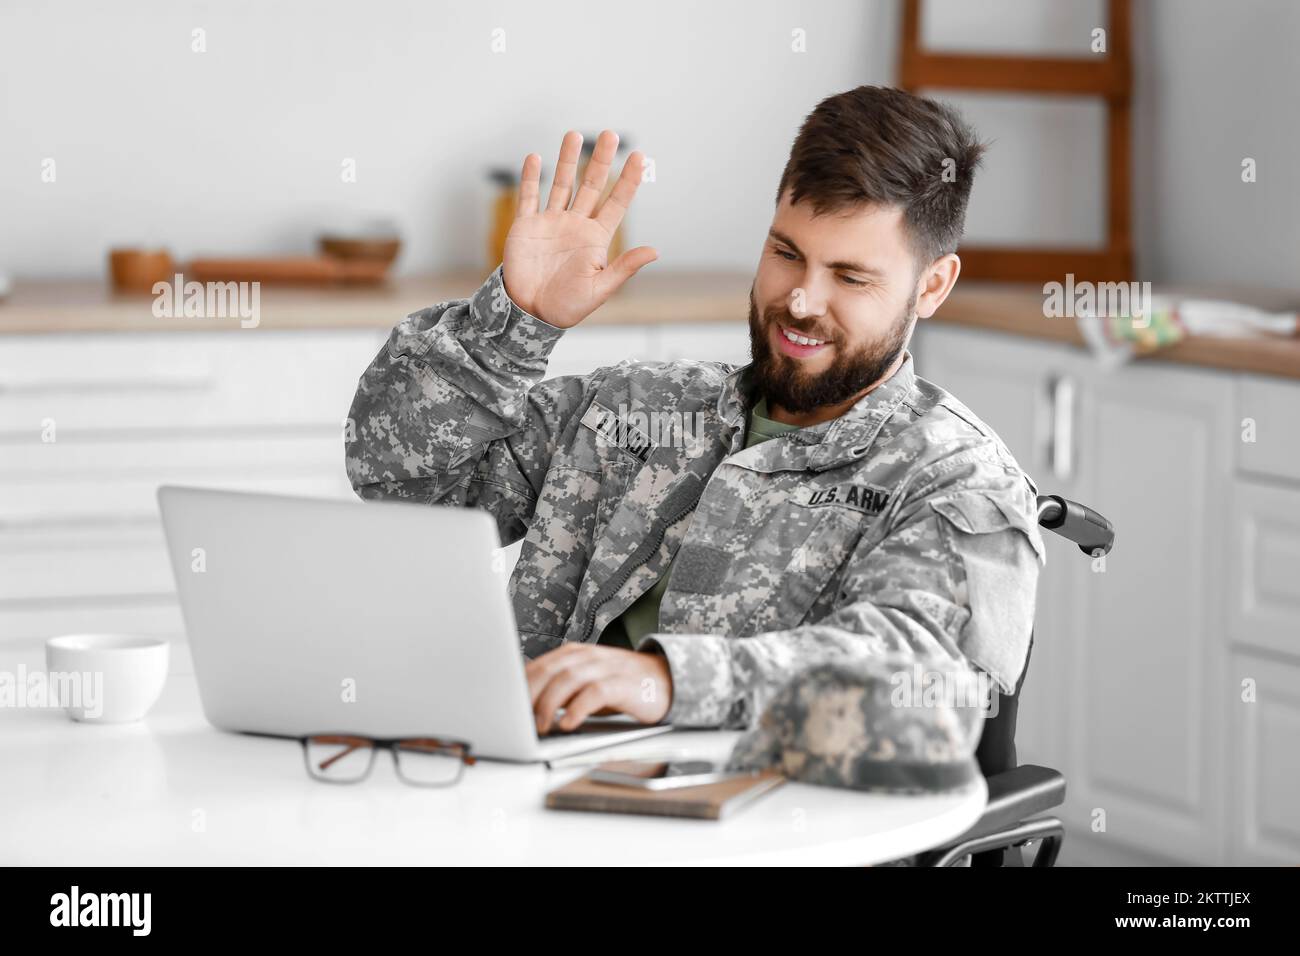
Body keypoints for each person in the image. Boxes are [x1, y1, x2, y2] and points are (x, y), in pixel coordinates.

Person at [345, 85, 1046, 737]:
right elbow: (407, 485)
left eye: (850, 277)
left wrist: (669, 681)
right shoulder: (628, 411)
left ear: (932, 286)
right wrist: (511, 325)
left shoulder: (955, 477)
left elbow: (932, 692)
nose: (801, 300)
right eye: (785, 253)